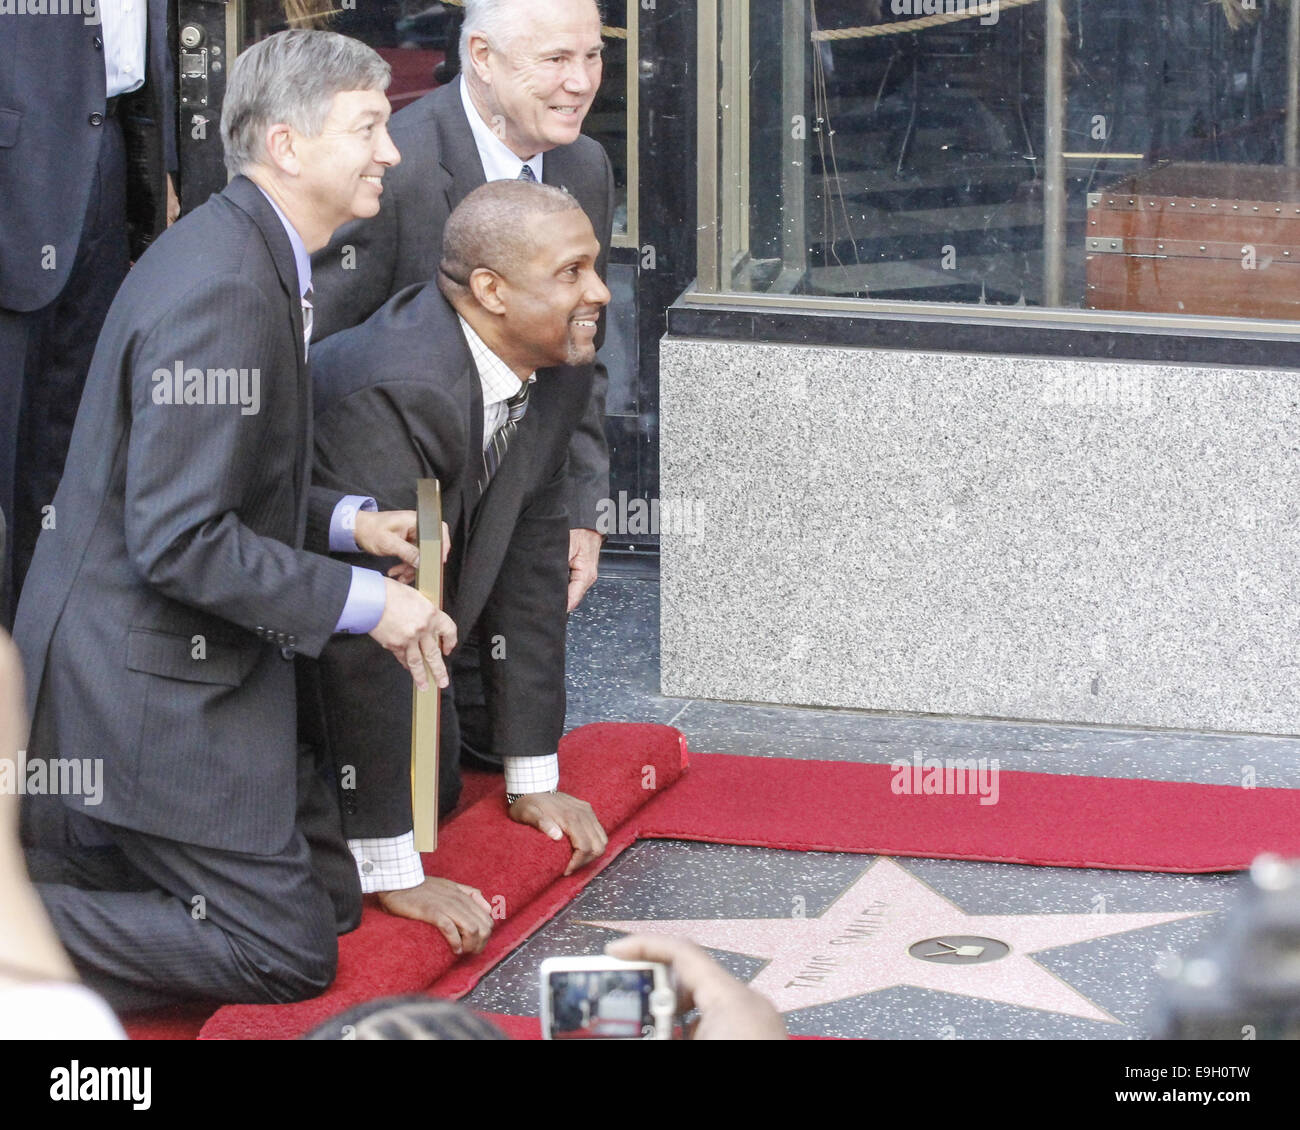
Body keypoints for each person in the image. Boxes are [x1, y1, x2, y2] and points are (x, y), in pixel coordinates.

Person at [13, 30, 459, 1013]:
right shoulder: (224, 287)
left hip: (165, 658)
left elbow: (201, 480)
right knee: (288, 948)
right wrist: (364, 604)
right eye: (369, 127)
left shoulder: (238, 246)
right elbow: (177, 535)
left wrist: (345, 525)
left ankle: (92, 887)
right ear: (290, 146)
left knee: (334, 896)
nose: (391, 150)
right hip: (136, 692)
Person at [310, 180, 610, 950]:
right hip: (288, 670)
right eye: (571, 272)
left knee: (438, 787)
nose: (599, 292)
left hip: (417, 636)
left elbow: (530, 568)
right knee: (396, 812)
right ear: (491, 291)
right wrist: (391, 864)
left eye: (595, 267)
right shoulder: (393, 387)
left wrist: (533, 777)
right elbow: (371, 619)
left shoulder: (559, 359)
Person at [311, 0, 612, 663]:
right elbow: (318, 363)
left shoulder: (584, 166)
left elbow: (580, 347)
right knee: (418, 760)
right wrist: (357, 525)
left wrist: (586, 506)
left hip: (518, 531)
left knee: (509, 734)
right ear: (482, 56)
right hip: (394, 545)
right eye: (557, 59)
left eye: (592, 55)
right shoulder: (395, 168)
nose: (582, 81)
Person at [0, 0, 178, 627]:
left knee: (69, 446)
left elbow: (141, 69)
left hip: (106, 172)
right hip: (17, 181)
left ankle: (38, 644)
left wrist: (157, 180)